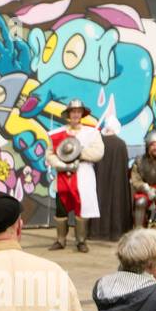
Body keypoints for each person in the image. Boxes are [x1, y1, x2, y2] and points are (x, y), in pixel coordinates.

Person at [47, 99, 103, 253]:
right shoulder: (58, 134)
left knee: (82, 208)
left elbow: (98, 152)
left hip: (83, 173)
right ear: (69, 114)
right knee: (61, 209)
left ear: (82, 114)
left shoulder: (91, 133)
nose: (76, 114)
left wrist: (79, 153)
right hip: (63, 175)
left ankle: (81, 241)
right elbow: (50, 154)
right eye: (73, 111)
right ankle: (60, 240)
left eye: (78, 112)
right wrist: (61, 164)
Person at [91, 111, 132, 241]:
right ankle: (116, 231)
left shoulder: (99, 142)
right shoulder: (121, 144)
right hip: (117, 182)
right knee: (116, 200)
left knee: (99, 199)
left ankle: (96, 232)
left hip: (99, 180)